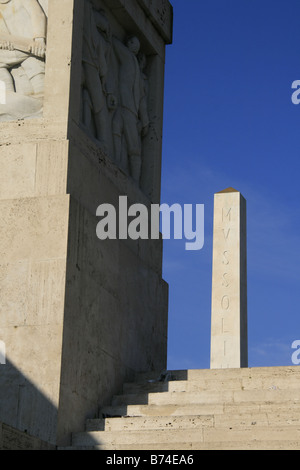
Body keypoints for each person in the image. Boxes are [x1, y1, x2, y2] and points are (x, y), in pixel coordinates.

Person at [0, 0, 47, 100]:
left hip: (32, 49)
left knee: (35, 68)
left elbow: (37, 14)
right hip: (13, 49)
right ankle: (7, 98)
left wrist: (39, 38)